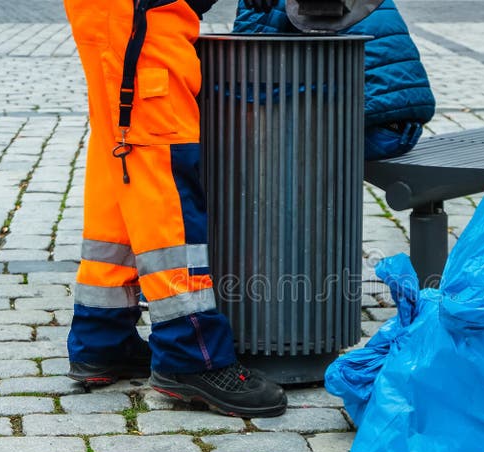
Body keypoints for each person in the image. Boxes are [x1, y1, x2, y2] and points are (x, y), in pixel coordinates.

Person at [63, 0, 287, 418]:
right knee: (163, 175)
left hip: (125, 17)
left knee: (123, 166)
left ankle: (102, 340)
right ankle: (192, 355)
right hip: (140, 20)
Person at [233, 0, 436, 160]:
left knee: (240, 144)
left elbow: (247, 79)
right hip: (402, 129)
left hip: (369, 133)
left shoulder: (264, 3)